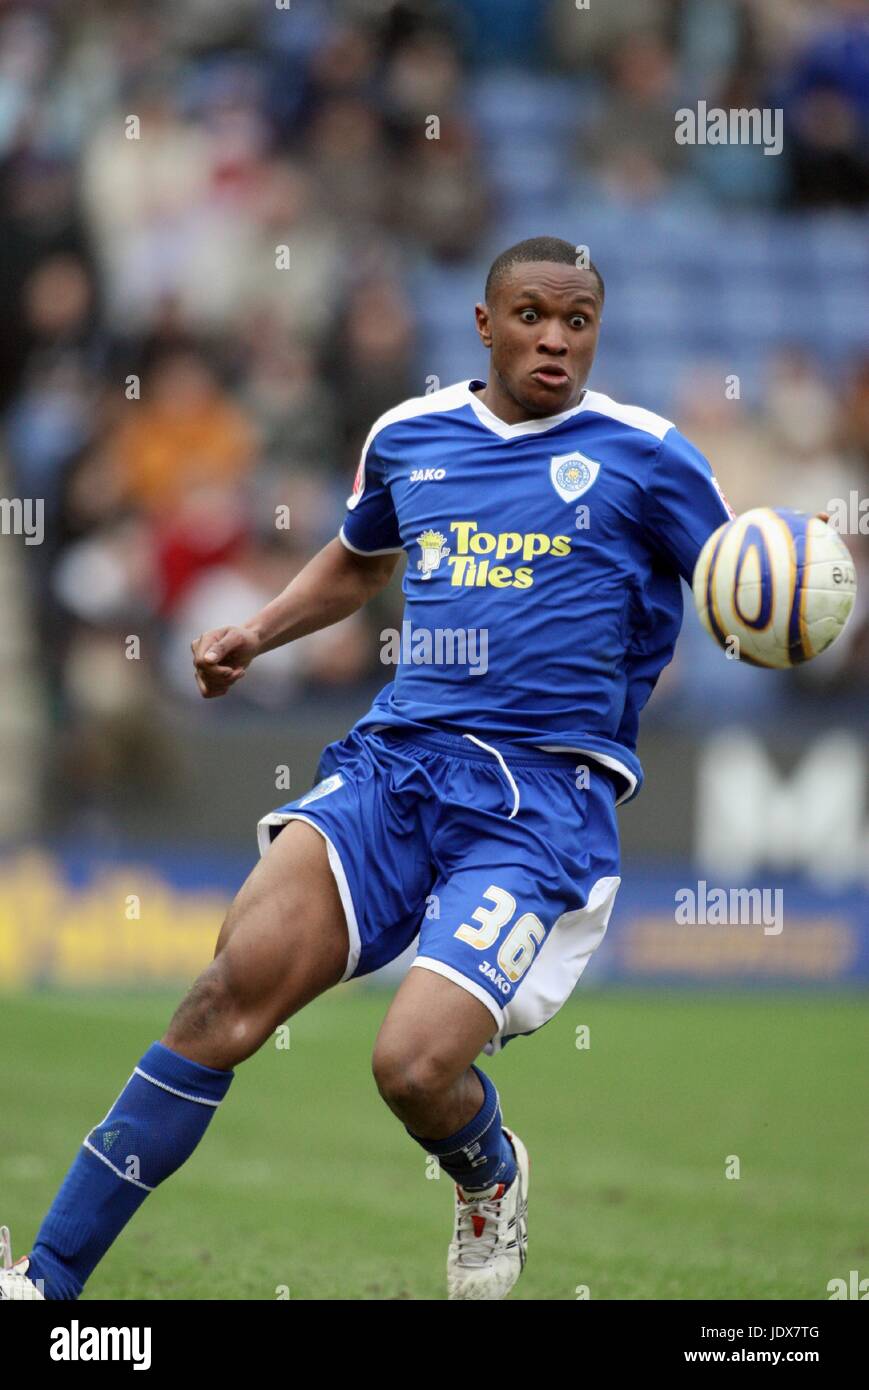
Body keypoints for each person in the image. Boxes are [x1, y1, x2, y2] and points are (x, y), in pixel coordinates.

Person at [1, 236, 735, 1303]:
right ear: (483, 325)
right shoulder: (409, 434)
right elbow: (357, 555)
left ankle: (488, 1172)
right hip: (395, 768)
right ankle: (45, 1282)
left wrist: (785, 600)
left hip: (537, 802)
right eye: (531, 314)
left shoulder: (647, 454)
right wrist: (256, 630)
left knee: (413, 1066)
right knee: (220, 998)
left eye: (576, 321)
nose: (554, 338)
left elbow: (740, 581)